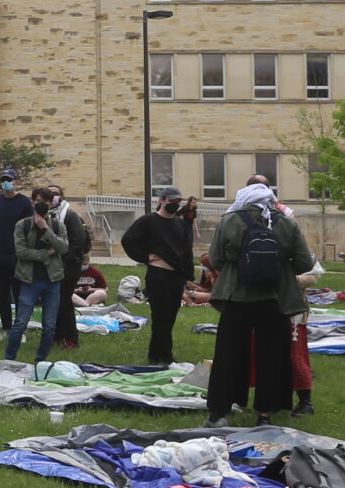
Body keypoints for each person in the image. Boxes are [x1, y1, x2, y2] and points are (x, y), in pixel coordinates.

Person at [201, 183, 313, 427]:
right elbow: (304, 262)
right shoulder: (286, 222)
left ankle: (219, 413)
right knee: (271, 355)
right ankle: (265, 414)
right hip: (275, 299)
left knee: (227, 355)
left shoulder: (229, 220)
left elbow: (217, 259)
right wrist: (278, 265)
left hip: (235, 297)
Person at [121, 193, 197, 365]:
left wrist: (188, 276)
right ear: (162, 200)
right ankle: (159, 356)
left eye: (178, 202)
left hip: (176, 276)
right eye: (172, 201)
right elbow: (128, 240)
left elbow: (186, 250)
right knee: (160, 316)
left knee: (170, 316)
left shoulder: (180, 223)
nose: (175, 205)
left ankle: (164, 353)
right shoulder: (148, 221)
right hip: (158, 274)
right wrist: (144, 257)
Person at [6, 197, 63, 363]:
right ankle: (10, 360)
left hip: (53, 280)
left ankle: (41, 361)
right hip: (29, 280)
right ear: (33, 204)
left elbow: (63, 248)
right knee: (20, 323)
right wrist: (46, 254)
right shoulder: (22, 225)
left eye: (46, 202)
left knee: (49, 326)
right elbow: (21, 252)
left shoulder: (57, 225)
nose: (42, 205)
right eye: (39, 201)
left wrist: (45, 229)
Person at [37, 185, 93, 347]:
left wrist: (66, 258)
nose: (53, 197)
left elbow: (78, 240)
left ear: (61, 196)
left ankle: (70, 338)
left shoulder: (69, 215)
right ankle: (57, 335)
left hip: (68, 265)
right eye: (50, 194)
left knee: (64, 301)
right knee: (55, 301)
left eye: (56, 194)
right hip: (51, 265)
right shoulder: (43, 216)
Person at [0, 171, 32, 334]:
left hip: (18, 254)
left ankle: (20, 329)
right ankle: (6, 327)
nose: (6, 183)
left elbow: (29, 229)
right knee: (3, 293)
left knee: (20, 293)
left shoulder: (24, 202)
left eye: (9, 180)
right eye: (3, 180)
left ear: (16, 182)